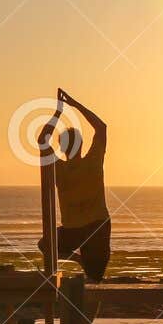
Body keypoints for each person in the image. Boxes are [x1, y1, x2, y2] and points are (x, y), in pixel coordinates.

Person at [37, 94, 110, 281]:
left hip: (90, 227)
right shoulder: (91, 161)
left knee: (47, 246)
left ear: (61, 147)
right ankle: (82, 261)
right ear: (81, 144)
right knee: (94, 275)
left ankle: (81, 261)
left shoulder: (59, 167)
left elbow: (43, 140)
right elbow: (101, 127)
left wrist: (58, 112)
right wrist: (75, 105)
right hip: (90, 226)